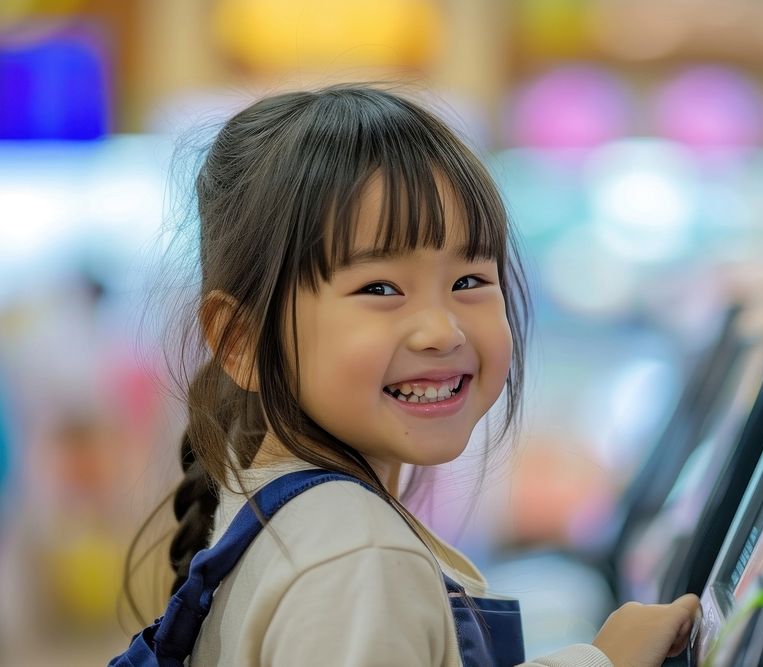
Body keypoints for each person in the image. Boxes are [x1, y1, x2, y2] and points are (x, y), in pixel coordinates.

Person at [116, 84, 700, 667]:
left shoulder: (302, 520)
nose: (442, 331)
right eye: (380, 288)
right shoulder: (358, 554)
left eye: (469, 281)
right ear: (241, 340)